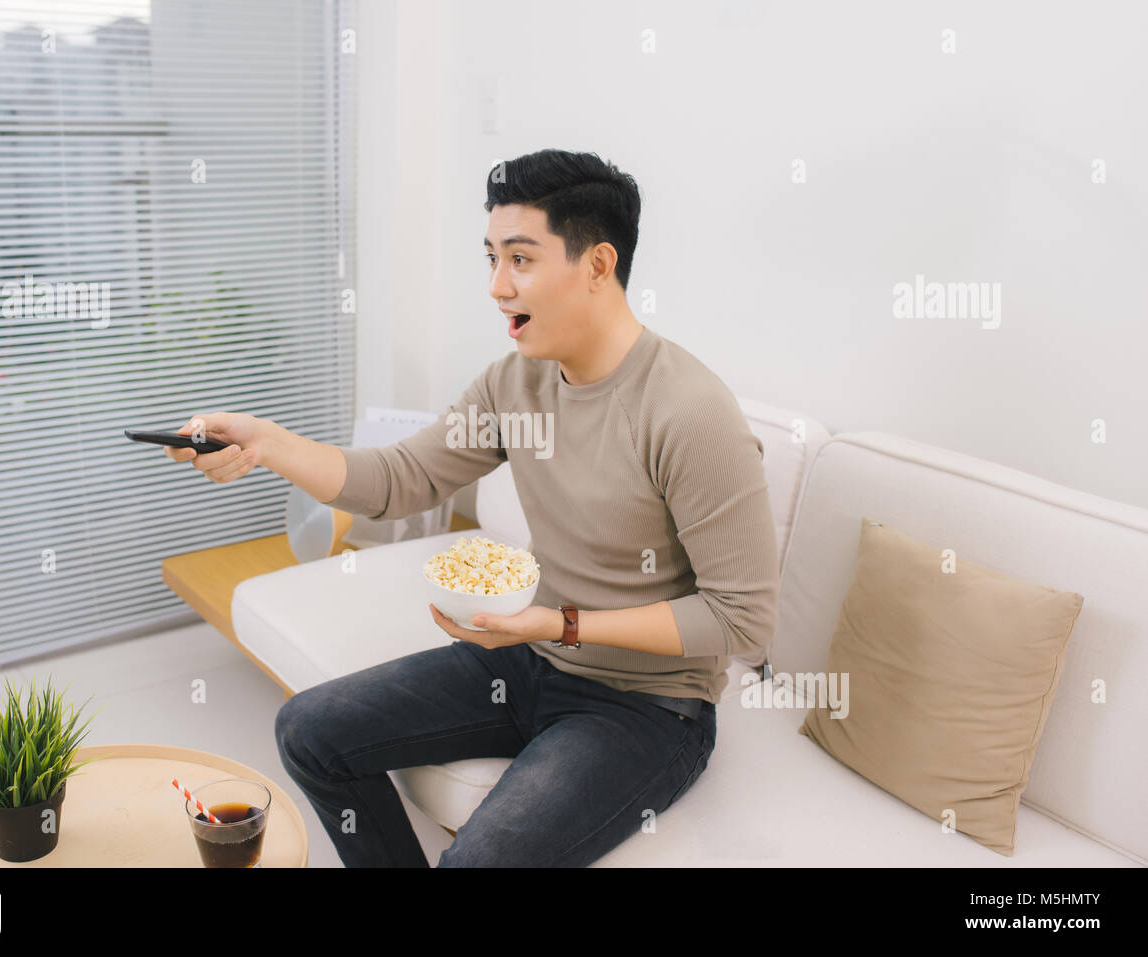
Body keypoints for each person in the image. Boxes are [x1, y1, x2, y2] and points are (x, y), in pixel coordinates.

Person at [165, 149, 780, 867]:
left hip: (645, 707)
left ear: (597, 265)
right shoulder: (513, 384)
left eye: (520, 259)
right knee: (309, 731)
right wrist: (268, 442)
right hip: (527, 660)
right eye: (491, 257)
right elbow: (399, 479)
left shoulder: (690, 412)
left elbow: (745, 620)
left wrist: (560, 622)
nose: (495, 286)